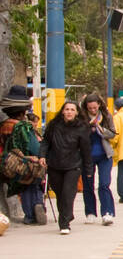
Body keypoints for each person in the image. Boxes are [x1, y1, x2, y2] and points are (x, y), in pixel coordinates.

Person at [40, 99, 92, 235]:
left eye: (72, 110)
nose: (69, 112)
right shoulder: (54, 125)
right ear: (63, 111)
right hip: (54, 164)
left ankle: (64, 223)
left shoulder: (82, 128)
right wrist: (42, 156)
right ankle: (67, 214)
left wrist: (88, 169)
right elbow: (45, 142)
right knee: (60, 194)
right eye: (67, 109)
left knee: (68, 194)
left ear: (76, 113)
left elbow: (86, 150)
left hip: (73, 166)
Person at [0, 86, 45, 225]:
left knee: (22, 186)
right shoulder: (24, 126)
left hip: (8, 163)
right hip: (25, 162)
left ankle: (29, 215)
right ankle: (36, 207)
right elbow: (34, 146)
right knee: (34, 183)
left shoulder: (3, 125)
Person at [81, 93, 116, 226]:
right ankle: (90, 213)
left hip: (104, 155)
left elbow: (113, 133)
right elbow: (78, 134)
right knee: (88, 185)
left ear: (99, 105)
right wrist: (88, 127)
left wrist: (101, 129)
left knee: (104, 184)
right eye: (90, 108)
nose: (93, 110)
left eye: (95, 107)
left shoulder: (106, 116)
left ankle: (107, 213)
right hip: (87, 156)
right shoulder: (82, 118)